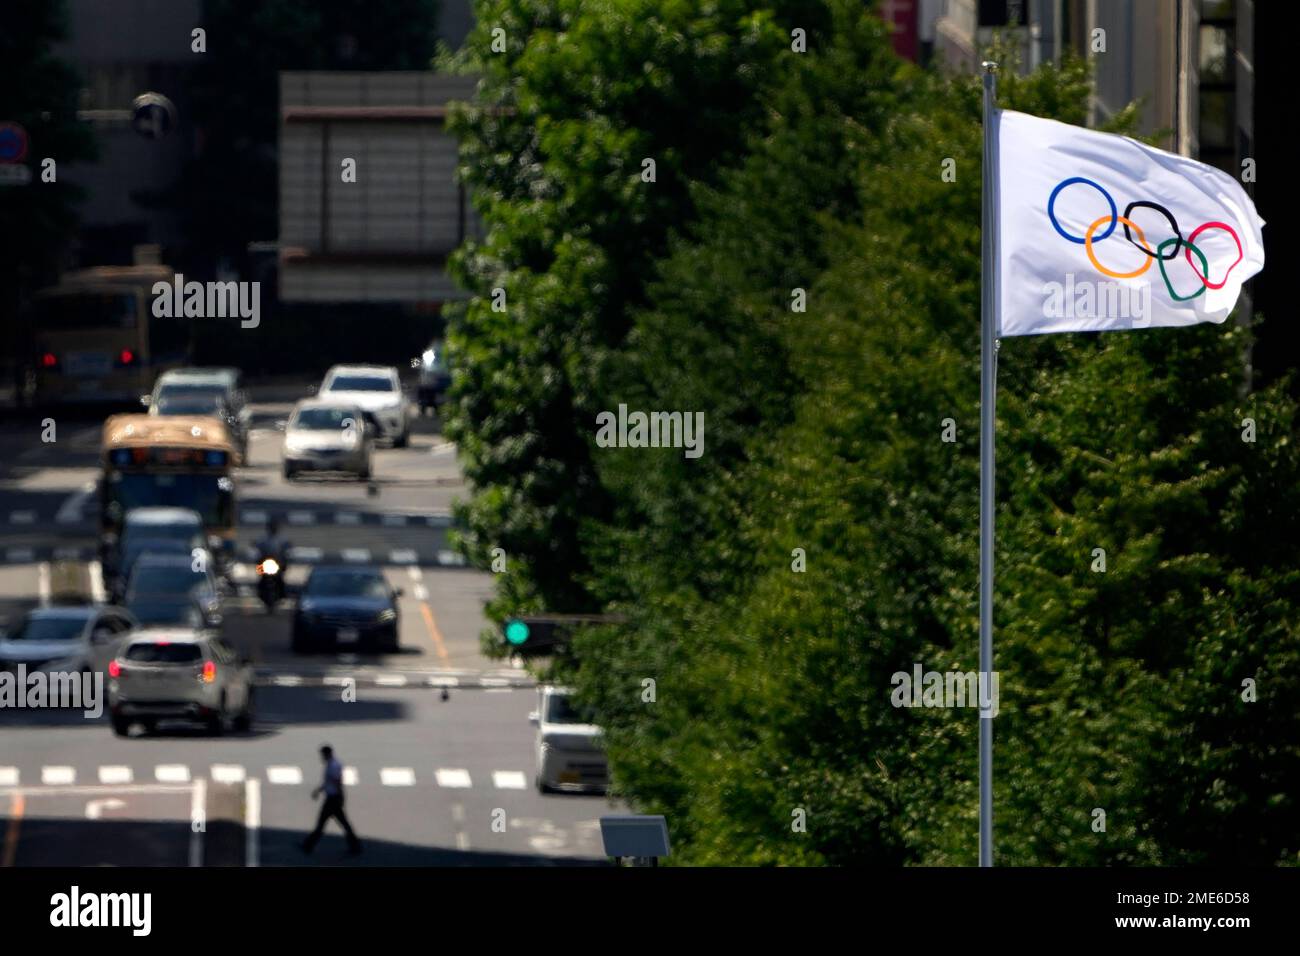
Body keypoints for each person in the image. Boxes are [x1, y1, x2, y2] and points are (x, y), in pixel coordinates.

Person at [301, 744, 361, 855]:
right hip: (332, 798)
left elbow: (337, 782)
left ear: (327, 754)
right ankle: (355, 846)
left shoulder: (333, 766)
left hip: (333, 799)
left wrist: (340, 797)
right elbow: (329, 782)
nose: (321, 757)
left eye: (323, 754)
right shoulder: (331, 764)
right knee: (342, 823)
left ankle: (308, 845)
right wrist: (318, 790)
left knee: (323, 824)